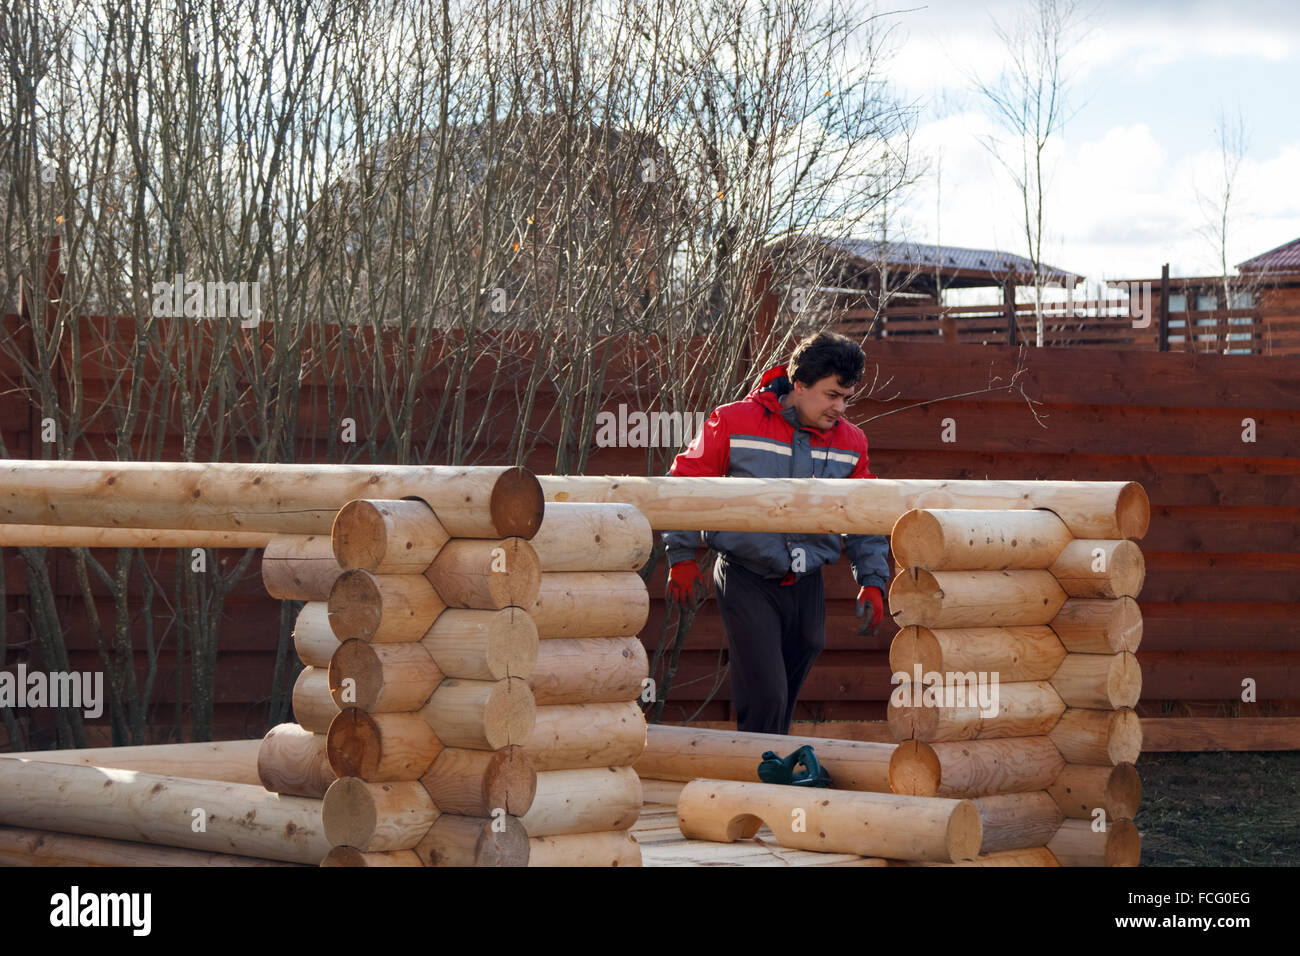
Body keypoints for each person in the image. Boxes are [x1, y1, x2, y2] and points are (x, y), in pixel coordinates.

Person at [662, 330, 890, 735]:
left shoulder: (852, 443)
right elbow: (685, 483)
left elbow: (863, 515)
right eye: (831, 395)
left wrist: (872, 580)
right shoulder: (733, 421)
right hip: (746, 574)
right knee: (767, 692)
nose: (840, 407)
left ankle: (768, 766)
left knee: (787, 684)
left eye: (846, 398)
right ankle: (761, 777)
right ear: (799, 385)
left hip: (806, 582)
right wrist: (681, 555)